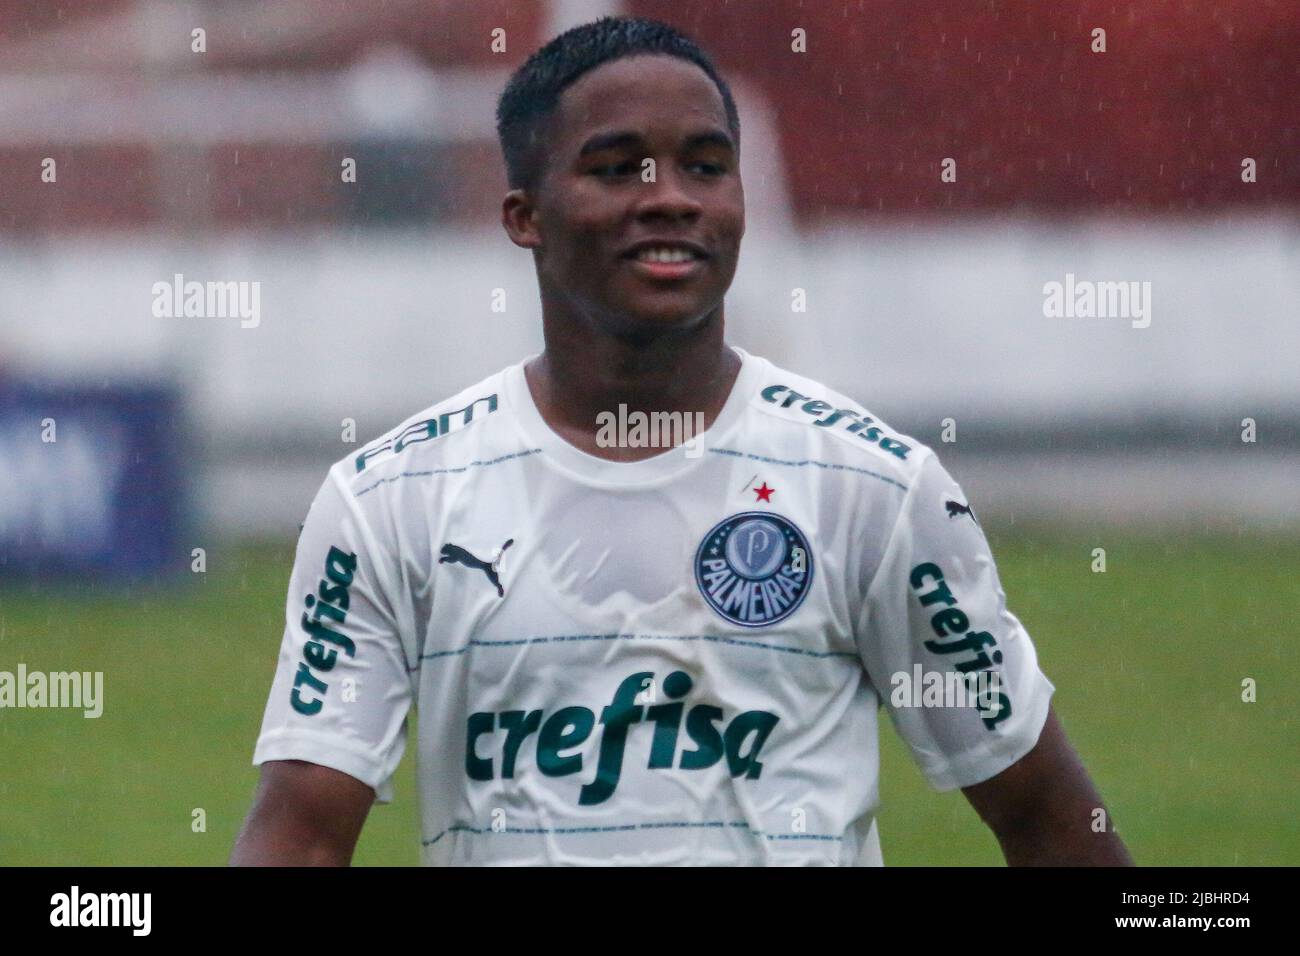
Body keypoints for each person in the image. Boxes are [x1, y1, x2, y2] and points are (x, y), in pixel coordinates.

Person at [231, 16, 1131, 866]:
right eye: (617, 168)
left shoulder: (875, 488)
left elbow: (1046, 816)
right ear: (524, 216)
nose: (669, 197)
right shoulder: (391, 500)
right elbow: (303, 833)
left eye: (705, 165)